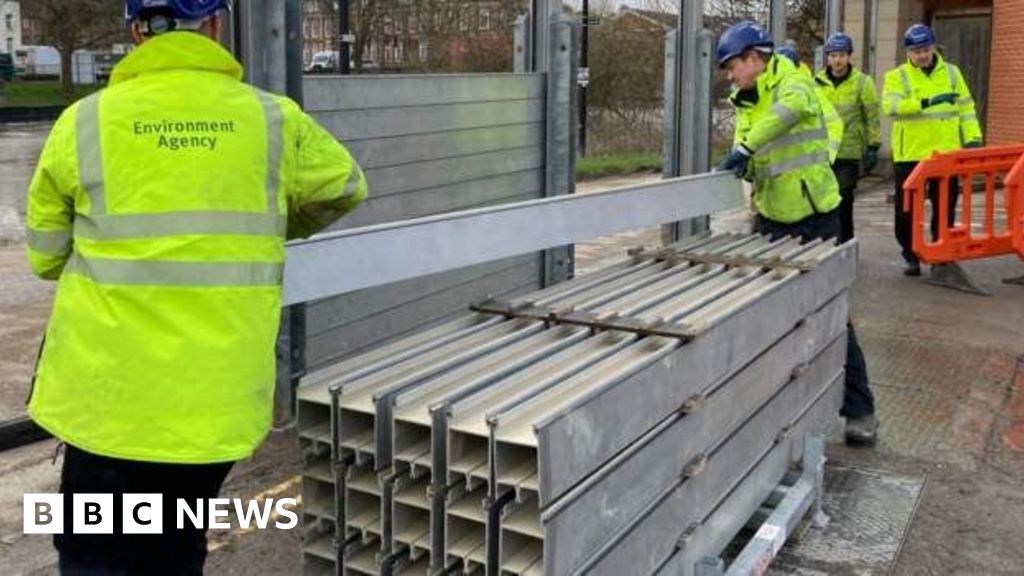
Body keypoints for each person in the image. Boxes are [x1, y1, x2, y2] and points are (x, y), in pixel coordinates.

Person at [23, 0, 367, 572]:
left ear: (137, 32)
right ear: (214, 25)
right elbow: (346, 186)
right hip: (215, 407)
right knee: (176, 541)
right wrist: (266, 231)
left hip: (106, 404)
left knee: (93, 551)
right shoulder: (272, 119)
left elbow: (43, 256)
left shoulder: (83, 122)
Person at [716, 21, 877, 446]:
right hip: (770, 217)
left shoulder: (795, 81)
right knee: (769, 314)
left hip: (813, 216)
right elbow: (748, 148)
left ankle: (859, 409)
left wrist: (744, 151)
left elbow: (783, 116)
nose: (729, 75)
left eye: (732, 66)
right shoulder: (744, 100)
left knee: (829, 312)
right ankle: (780, 408)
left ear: (754, 57)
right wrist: (740, 165)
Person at [882, 23, 982, 276]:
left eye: (925, 49)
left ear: (934, 47)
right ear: (908, 52)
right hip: (910, 153)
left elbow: (966, 108)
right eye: (916, 51)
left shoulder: (951, 73)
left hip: (944, 153)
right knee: (906, 210)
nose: (921, 55)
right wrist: (924, 102)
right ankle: (911, 254)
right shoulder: (897, 76)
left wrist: (972, 138)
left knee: (944, 206)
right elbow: (890, 107)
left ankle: (940, 253)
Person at [815, 32, 882, 243]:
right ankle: (826, 243)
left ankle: (845, 242)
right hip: (823, 153)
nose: (837, 60)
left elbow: (871, 116)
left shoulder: (863, 82)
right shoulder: (816, 82)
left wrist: (873, 146)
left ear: (849, 56)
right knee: (823, 201)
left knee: (844, 199)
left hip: (848, 151)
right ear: (827, 57)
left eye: (842, 55)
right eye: (833, 55)